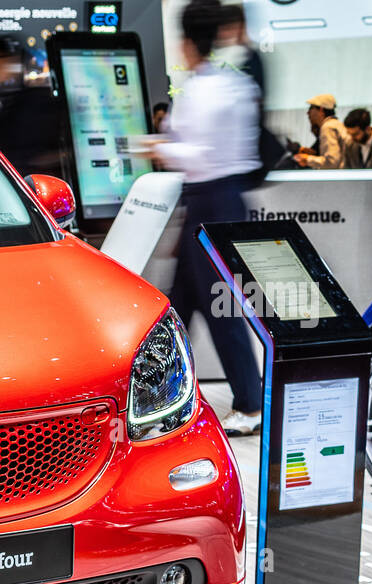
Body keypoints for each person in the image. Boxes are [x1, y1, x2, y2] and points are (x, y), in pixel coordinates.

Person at [152, 0, 263, 436]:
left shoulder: (200, 90)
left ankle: (251, 404)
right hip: (222, 202)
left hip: (208, 202)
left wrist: (154, 147)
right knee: (183, 305)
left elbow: (196, 155)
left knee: (217, 308)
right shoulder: (235, 85)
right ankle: (159, 390)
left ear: (185, 42)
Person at [294, 95, 347, 169]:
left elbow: (332, 162)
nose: (308, 113)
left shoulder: (328, 127)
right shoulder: (335, 124)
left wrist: (307, 159)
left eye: (311, 108)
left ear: (321, 110)